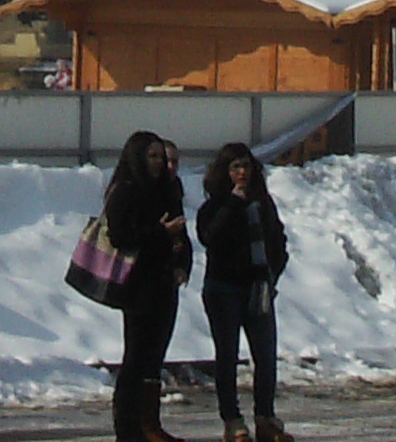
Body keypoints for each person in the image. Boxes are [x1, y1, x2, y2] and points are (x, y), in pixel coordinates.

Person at [196, 144, 291, 442]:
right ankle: (232, 420)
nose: (242, 173)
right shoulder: (215, 205)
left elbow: (277, 239)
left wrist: (272, 272)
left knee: (265, 354)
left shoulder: (263, 203)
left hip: (258, 288)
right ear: (225, 172)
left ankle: (265, 416)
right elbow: (210, 236)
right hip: (223, 289)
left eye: (246, 167)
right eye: (235, 167)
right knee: (227, 355)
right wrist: (233, 204)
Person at [104, 129, 193, 442]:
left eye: (164, 158)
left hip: (164, 282)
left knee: (153, 358)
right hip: (137, 286)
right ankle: (127, 430)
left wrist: (183, 265)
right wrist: (160, 233)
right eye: (153, 157)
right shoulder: (126, 189)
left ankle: (148, 426)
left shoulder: (167, 189)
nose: (161, 164)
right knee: (136, 359)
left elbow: (183, 234)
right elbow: (121, 236)